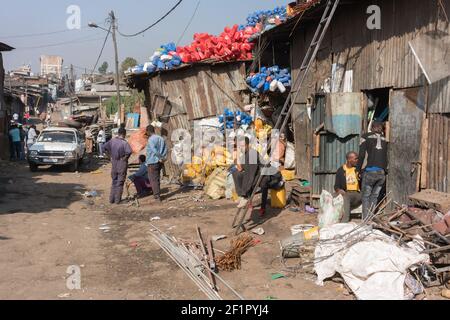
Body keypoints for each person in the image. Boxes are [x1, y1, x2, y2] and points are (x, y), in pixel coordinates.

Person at [356, 121, 388, 219]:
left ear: (372, 128)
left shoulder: (365, 137)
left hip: (370, 172)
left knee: (366, 196)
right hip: (382, 174)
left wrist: (357, 169)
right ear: (381, 129)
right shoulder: (386, 139)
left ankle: (366, 220)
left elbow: (361, 155)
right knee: (374, 196)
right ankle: (371, 218)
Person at [104, 128, 132, 204]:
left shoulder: (112, 141)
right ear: (124, 134)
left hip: (114, 163)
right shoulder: (124, 143)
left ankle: (111, 199)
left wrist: (109, 156)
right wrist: (125, 158)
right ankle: (117, 200)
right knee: (120, 182)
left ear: (118, 133)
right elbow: (129, 152)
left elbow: (104, 148)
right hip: (121, 163)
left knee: (114, 181)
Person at [232, 137, 259, 208]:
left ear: (248, 145)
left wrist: (246, 190)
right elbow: (241, 168)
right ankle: (241, 195)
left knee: (247, 175)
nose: (241, 148)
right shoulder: (245, 154)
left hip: (257, 175)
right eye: (240, 146)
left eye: (243, 146)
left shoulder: (252, 154)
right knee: (235, 173)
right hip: (249, 173)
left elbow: (252, 173)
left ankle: (245, 196)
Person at [335, 151, 362, 222]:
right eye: (355, 159)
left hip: (357, 194)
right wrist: (338, 190)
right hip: (346, 193)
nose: (357, 160)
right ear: (349, 159)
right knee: (332, 195)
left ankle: (344, 221)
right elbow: (336, 185)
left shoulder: (358, 169)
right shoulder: (341, 170)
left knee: (346, 197)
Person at [145, 125, 168, 202]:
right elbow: (165, 149)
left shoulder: (151, 139)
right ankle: (157, 194)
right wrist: (163, 158)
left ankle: (157, 196)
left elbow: (154, 150)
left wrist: (160, 157)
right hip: (159, 162)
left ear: (148, 131)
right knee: (157, 178)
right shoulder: (161, 138)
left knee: (153, 179)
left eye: (147, 132)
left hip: (152, 161)